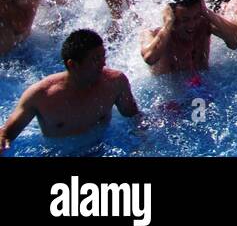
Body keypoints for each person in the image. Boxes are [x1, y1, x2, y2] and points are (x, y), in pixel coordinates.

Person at [1, 29, 140, 151]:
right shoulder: (40, 96)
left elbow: (134, 119)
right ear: (72, 65)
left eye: (103, 56)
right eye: (95, 59)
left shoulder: (115, 83)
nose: (103, 63)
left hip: (103, 148)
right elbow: (6, 134)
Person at [140, 0, 237, 75]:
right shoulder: (153, 31)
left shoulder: (203, 23)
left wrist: (206, 12)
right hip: (170, 93)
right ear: (173, 15)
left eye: (196, 17)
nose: (192, 24)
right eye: (185, 19)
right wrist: (168, 23)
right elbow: (150, 58)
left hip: (202, 86)